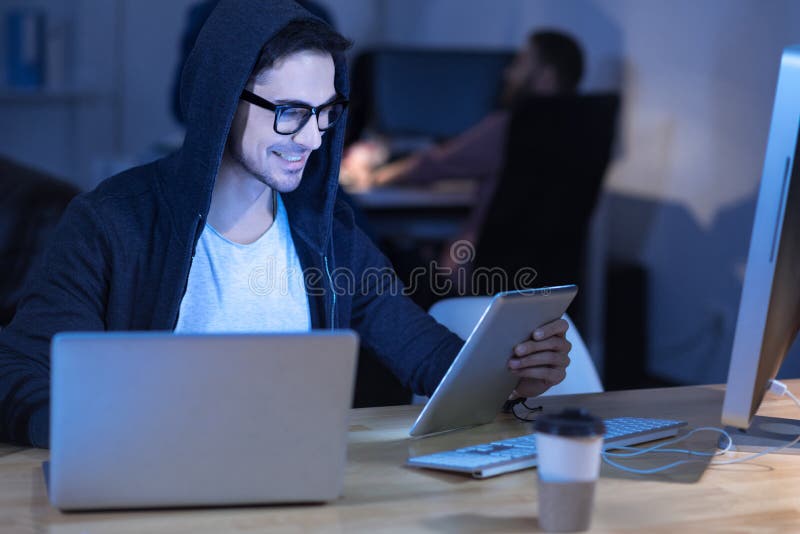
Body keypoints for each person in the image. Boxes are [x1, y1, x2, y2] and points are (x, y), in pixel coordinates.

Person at [0, 0, 572, 448]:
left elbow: (424, 354)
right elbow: (20, 371)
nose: (313, 139)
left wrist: (510, 376)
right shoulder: (110, 224)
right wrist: (95, 437)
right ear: (223, 100)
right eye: (291, 112)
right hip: (149, 489)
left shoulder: (329, 235)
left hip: (299, 495)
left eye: (325, 113)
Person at [341, 30, 584, 244]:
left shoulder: (512, 127)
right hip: (543, 270)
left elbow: (437, 163)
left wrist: (376, 177)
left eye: (520, 64)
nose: (508, 73)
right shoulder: (579, 130)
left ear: (546, 77)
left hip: (482, 267)